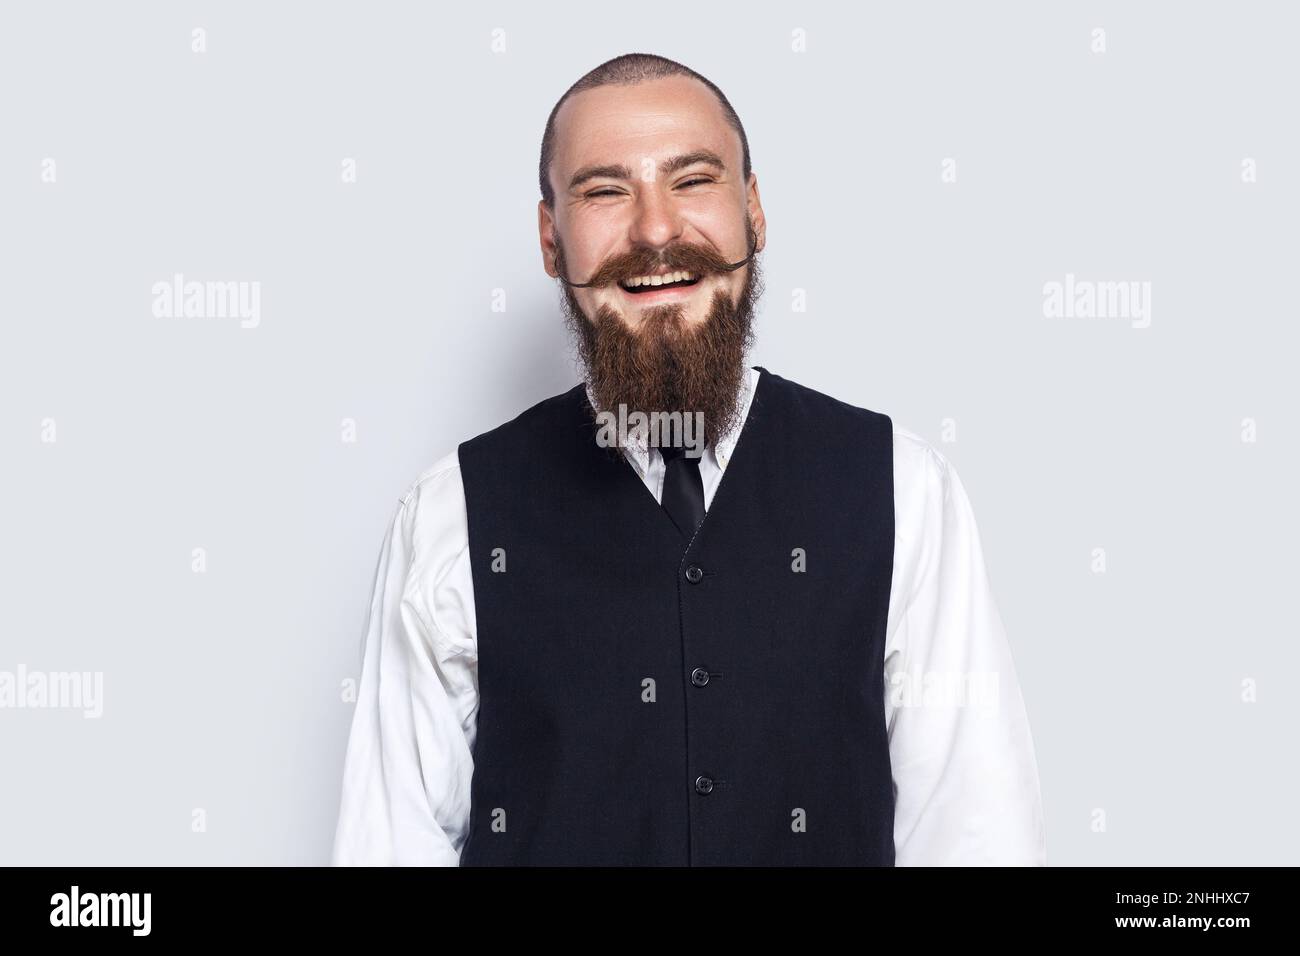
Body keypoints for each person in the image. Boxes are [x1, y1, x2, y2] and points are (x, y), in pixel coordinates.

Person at [331, 52, 1046, 866]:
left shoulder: (902, 490)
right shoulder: (451, 514)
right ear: (548, 239)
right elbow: (388, 847)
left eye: (694, 180)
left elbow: (978, 837)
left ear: (755, 212)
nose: (656, 230)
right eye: (604, 191)